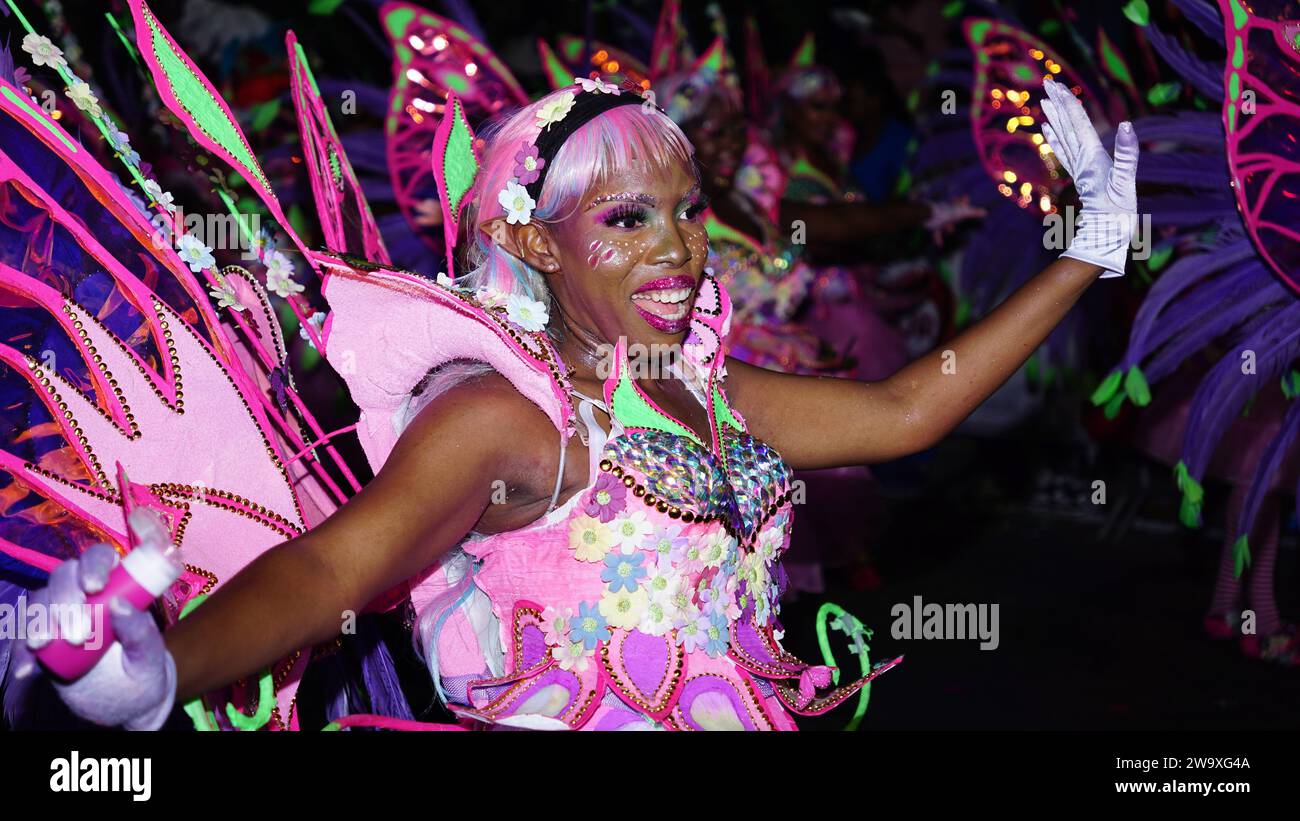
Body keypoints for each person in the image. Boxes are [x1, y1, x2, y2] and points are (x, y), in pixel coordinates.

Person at [12, 76, 1138, 730]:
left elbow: (904, 409)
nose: (682, 248)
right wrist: (167, 669)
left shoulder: (701, 390)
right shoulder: (504, 418)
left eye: (688, 210)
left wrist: (1086, 251)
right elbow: (330, 571)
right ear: (529, 240)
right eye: (627, 219)